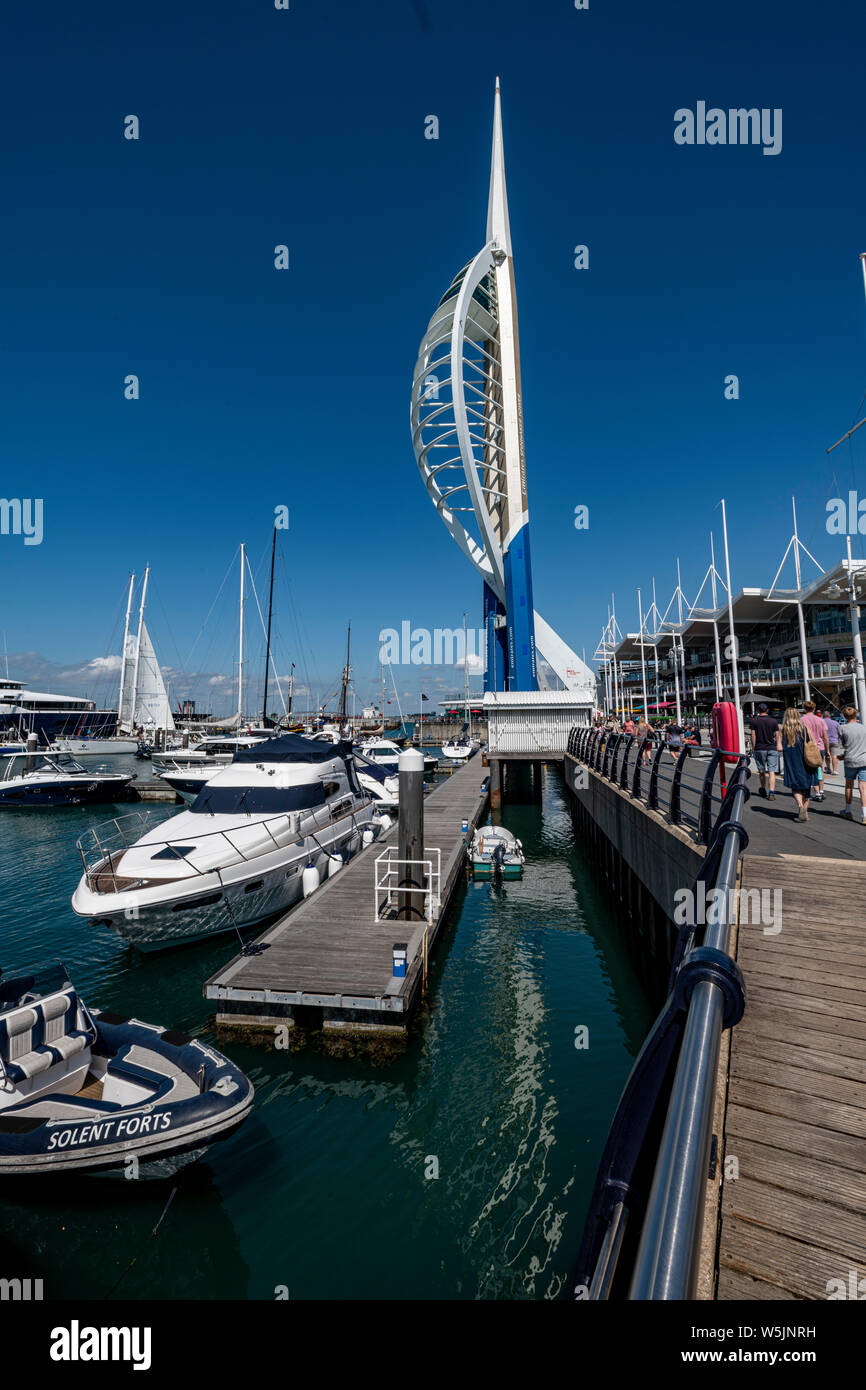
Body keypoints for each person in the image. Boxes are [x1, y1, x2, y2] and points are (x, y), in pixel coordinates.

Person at [776, 707, 819, 821]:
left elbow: (779, 748)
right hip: (806, 760)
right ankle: (805, 811)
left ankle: (800, 807)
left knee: (795, 785)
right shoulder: (805, 729)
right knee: (806, 786)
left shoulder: (783, 730)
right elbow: (813, 744)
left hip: (791, 761)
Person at [838, 706, 866, 824]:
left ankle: (848, 811)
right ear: (856, 715)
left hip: (850, 760)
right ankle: (864, 814)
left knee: (849, 786)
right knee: (863, 787)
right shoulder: (863, 728)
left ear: (844, 716)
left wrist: (841, 756)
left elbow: (842, 745)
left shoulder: (842, 728)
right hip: (864, 760)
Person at [748, 702, 780, 800]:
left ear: (758, 710)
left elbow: (753, 735)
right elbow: (777, 735)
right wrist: (778, 744)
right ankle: (771, 792)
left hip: (759, 748)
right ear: (767, 710)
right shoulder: (773, 721)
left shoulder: (754, 721)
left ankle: (763, 788)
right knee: (772, 771)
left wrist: (753, 747)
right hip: (772, 748)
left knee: (761, 771)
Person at [800, 701, 830, 803]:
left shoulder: (801, 720)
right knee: (819, 769)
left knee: (807, 769)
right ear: (814, 708)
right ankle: (821, 791)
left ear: (804, 708)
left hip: (807, 748)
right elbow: (825, 737)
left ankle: (812, 791)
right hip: (819, 747)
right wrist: (827, 750)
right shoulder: (820, 720)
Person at [824, 710, 842, 775]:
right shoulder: (835, 723)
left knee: (827, 755)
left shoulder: (822, 722)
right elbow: (840, 732)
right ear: (830, 716)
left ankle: (828, 769)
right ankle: (834, 770)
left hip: (825, 742)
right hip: (835, 741)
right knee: (834, 756)